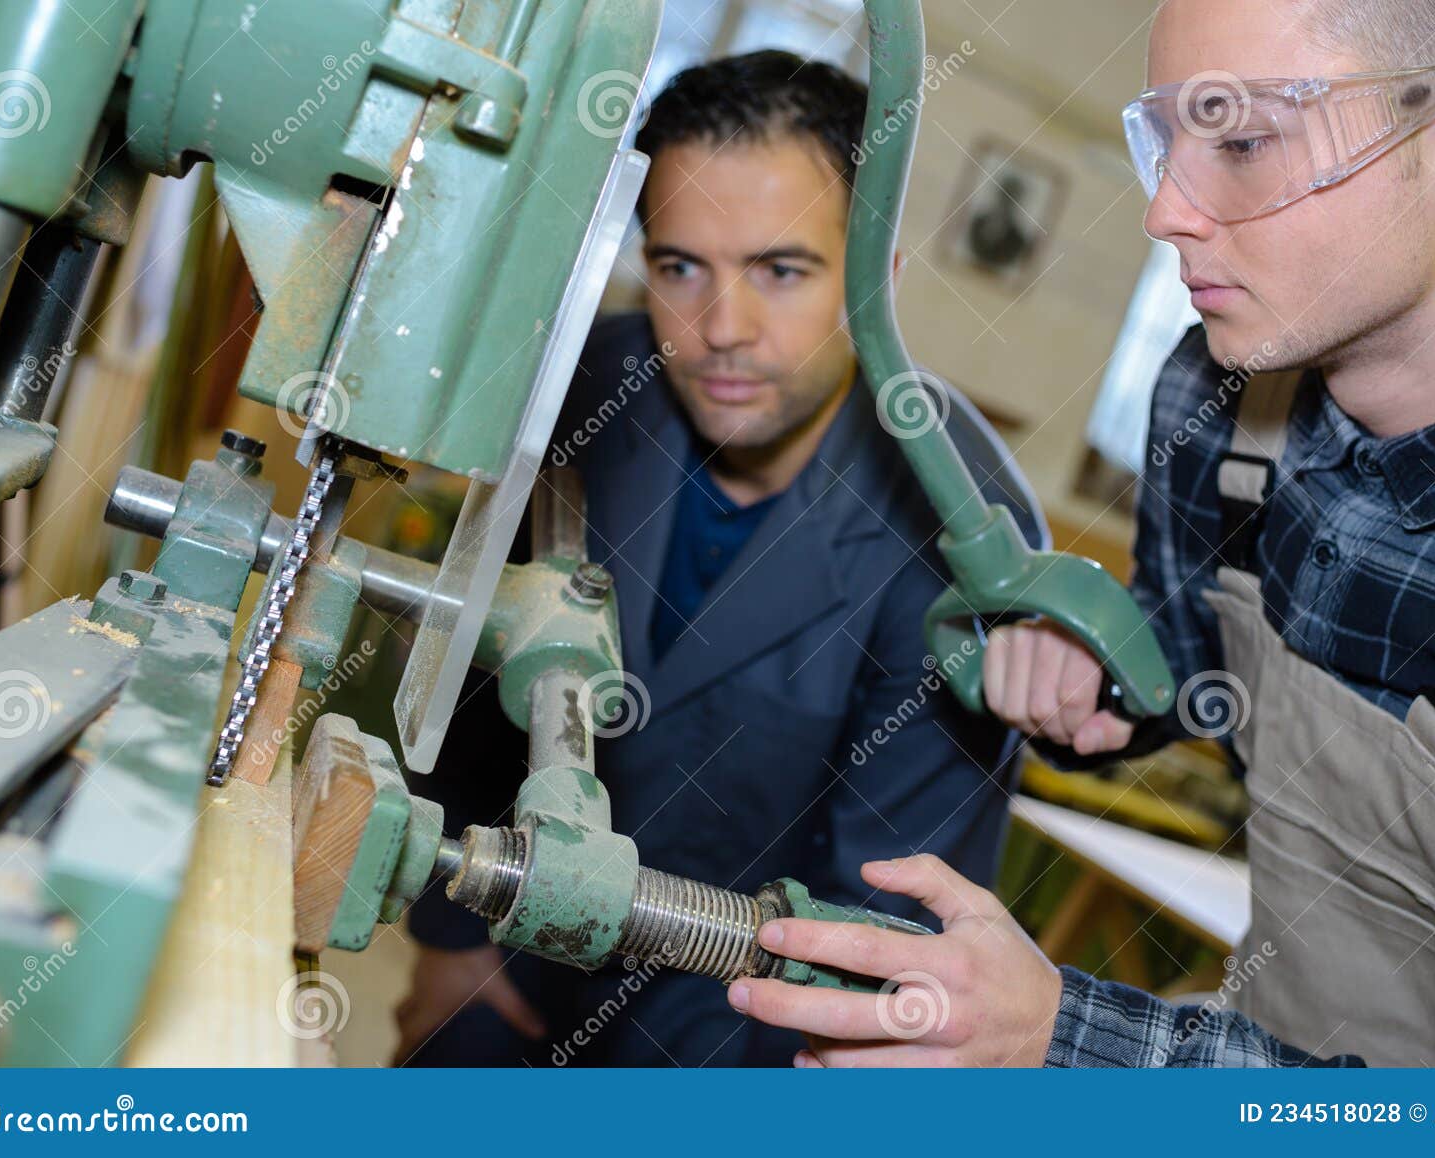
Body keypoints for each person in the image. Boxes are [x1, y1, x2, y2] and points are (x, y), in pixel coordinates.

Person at [728, 0, 1435, 1068]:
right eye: (1165, 144)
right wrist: (1097, 671)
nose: (1165, 211)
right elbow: (1191, 672)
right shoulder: (1217, 404)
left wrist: (1063, 1037)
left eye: (1245, 142)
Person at [393, 50, 1048, 1067]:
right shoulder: (589, 385)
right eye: (679, 266)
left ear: (878, 279)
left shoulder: (962, 533)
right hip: (513, 951)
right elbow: (488, 686)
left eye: (780, 271)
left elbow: (883, 923)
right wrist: (447, 935)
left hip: (734, 1036)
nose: (720, 331)